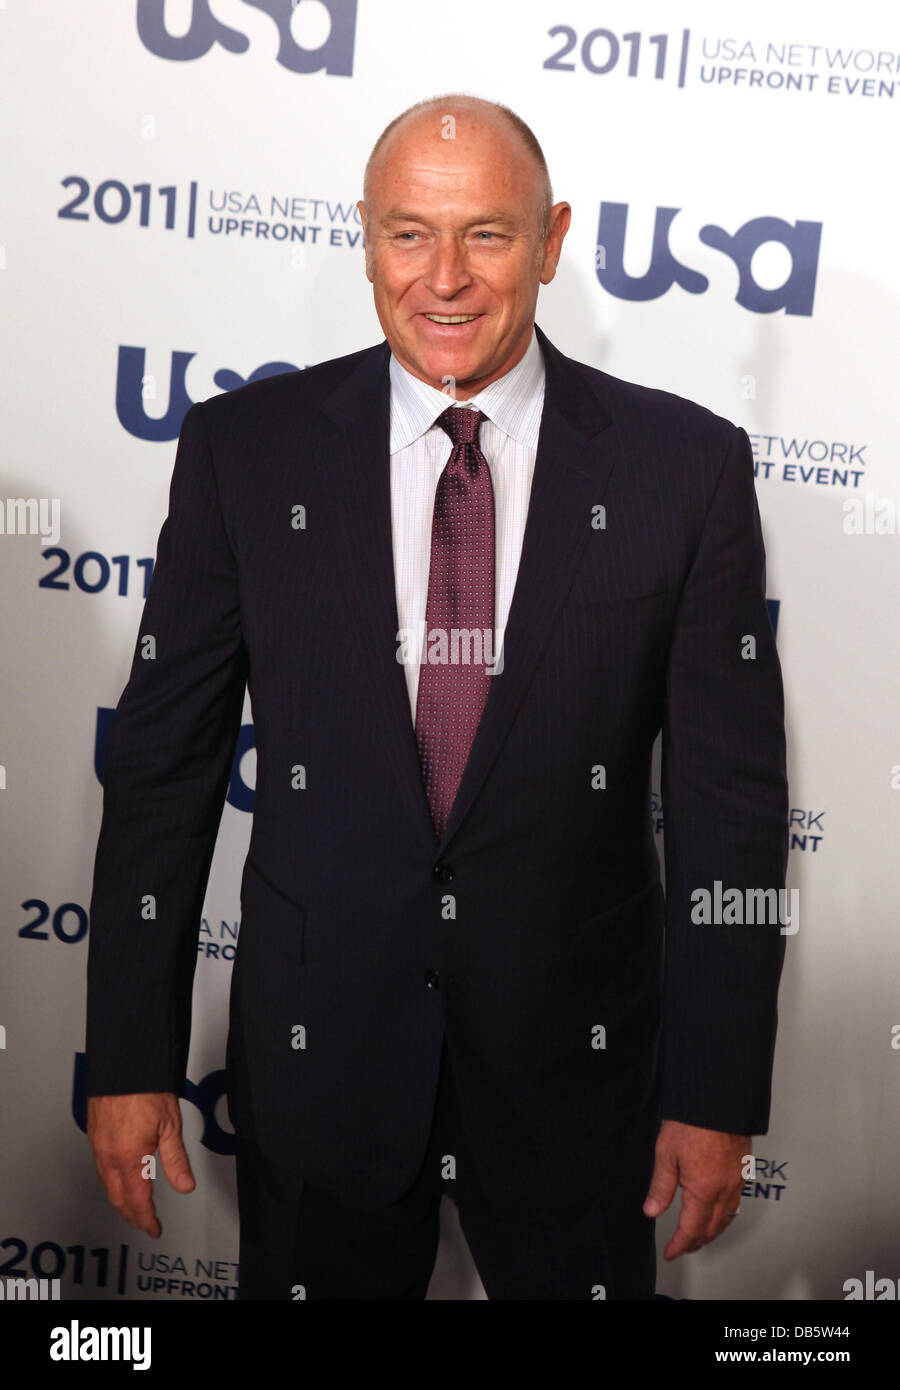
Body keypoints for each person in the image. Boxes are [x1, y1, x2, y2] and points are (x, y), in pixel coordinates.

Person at [85, 93, 788, 1300]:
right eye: (410, 233)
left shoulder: (687, 469)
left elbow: (730, 810)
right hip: (322, 1066)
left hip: (582, 1076)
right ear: (365, 237)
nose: (444, 277)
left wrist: (716, 1089)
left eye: (488, 235)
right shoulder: (246, 452)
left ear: (554, 240)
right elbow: (164, 770)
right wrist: (130, 1052)